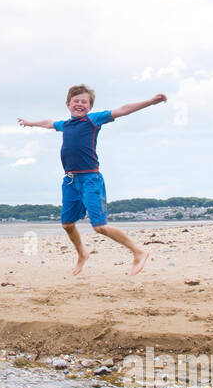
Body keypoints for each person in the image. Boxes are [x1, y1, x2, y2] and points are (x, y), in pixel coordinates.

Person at [18, 85, 166, 276]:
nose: (79, 104)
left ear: (89, 106)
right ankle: (82, 254)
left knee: (99, 226)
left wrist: (150, 102)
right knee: (67, 224)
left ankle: (138, 251)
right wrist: (31, 124)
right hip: (70, 181)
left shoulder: (93, 120)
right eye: (76, 101)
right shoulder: (66, 125)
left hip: (90, 179)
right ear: (68, 104)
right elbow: (49, 123)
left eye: (84, 102)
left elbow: (122, 110)